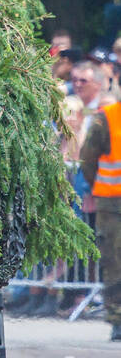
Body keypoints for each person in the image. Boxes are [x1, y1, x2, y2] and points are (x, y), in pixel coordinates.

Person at [77, 96, 121, 341]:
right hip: (114, 205)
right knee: (115, 263)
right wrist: (98, 188)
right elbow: (88, 158)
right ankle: (118, 319)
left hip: (111, 202)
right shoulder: (107, 118)